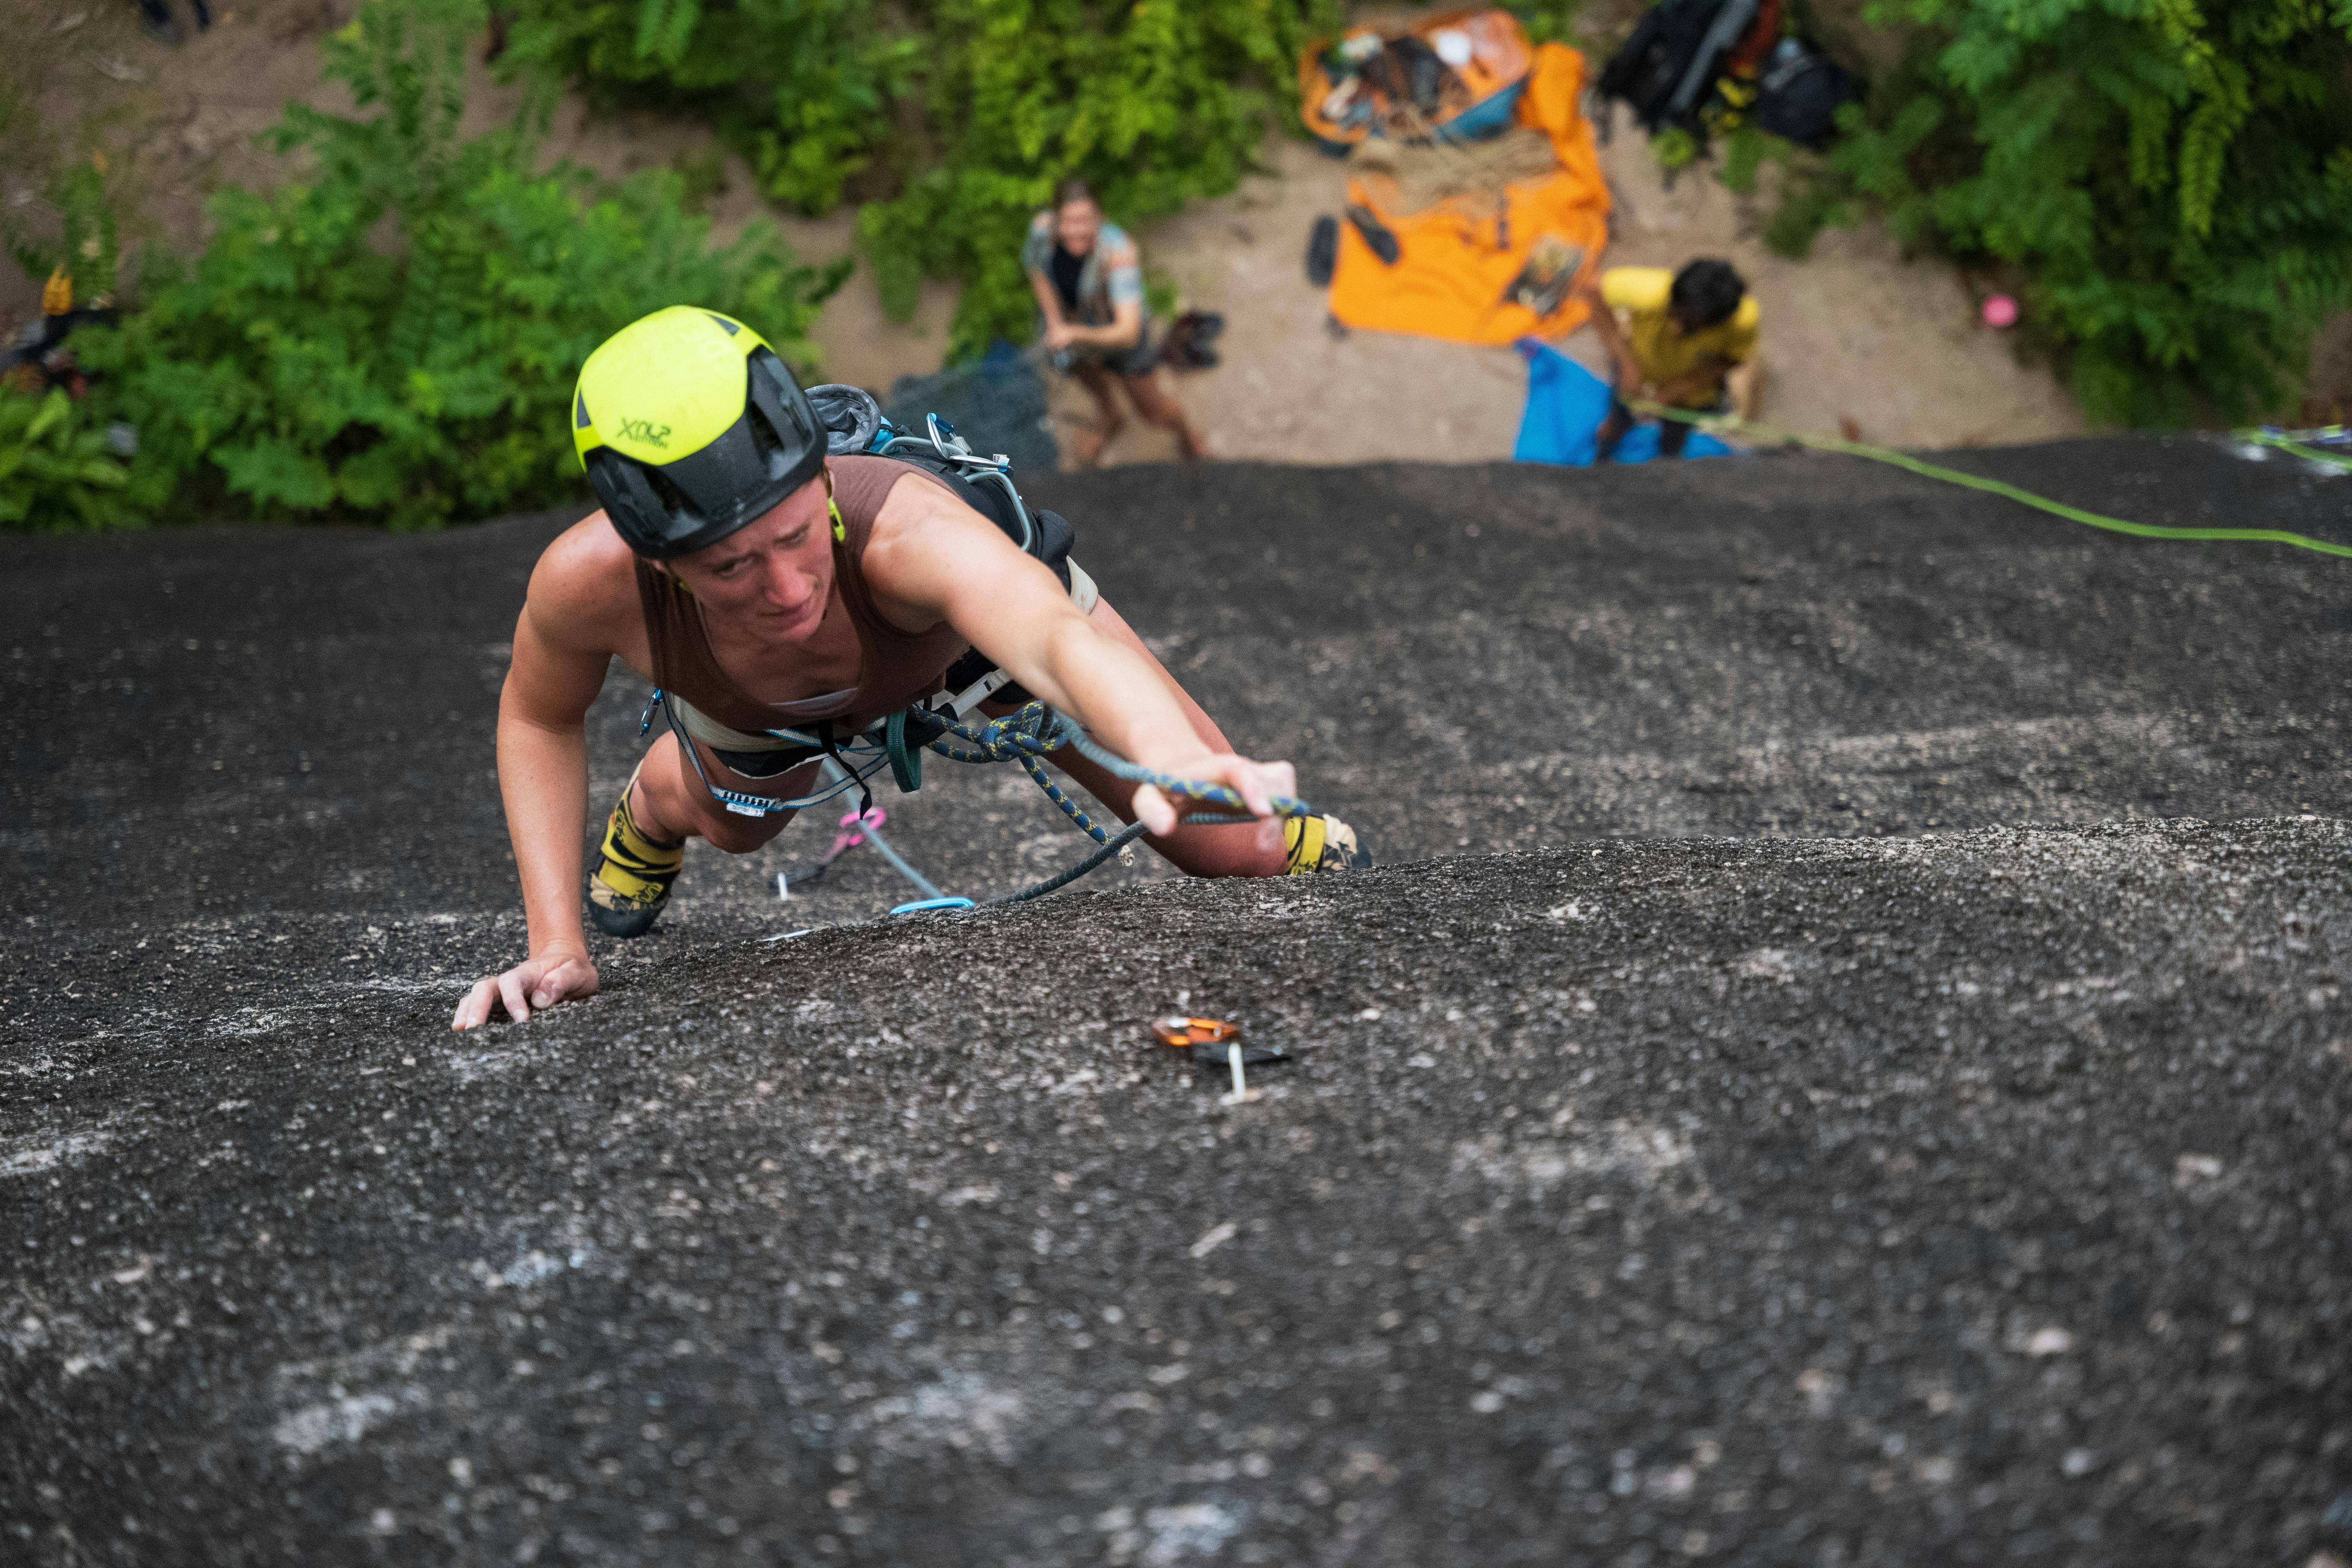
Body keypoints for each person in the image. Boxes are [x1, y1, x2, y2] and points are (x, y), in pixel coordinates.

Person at [452, 306, 1366, 1031]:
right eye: (730, 566)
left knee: (1232, 849)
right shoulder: (588, 583)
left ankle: (1223, 804)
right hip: (756, 705)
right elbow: (537, 714)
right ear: (656, 557)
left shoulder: (911, 533)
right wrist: (554, 944)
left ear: (821, 479)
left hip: (975, 659)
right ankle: (654, 805)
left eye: (798, 533)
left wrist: (1172, 751)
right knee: (734, 825)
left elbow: (1054, 639)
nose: (785, 587)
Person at [1022, 178, 1209, 468]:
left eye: (1085, 220)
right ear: (1056, 217)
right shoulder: (1042, 231)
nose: (1076, 231)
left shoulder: (1117, 253)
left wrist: (1070, 332)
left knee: (1153, 410)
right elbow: (1037, 272)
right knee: (1088, 376)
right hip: (1074, 328)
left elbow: (1128, 332)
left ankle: (1188, 437)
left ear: (1099, 218)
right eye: (1068, 221)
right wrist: (1056, 321)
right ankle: (1109, 415)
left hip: (1118, 341)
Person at [1580, 258, 1757, 460]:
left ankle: (1667, 464)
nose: (1678, 329)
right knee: (1617, 422)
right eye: (1675, 315)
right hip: (1637, 369)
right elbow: (1592, 289)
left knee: (1675, 436)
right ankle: (1602, 457)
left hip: (1687, 394)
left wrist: (1675, 391)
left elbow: (1731, 359)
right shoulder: (1648, 292)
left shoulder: (1742, 322)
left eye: (1692, 326)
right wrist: (1625, 362)